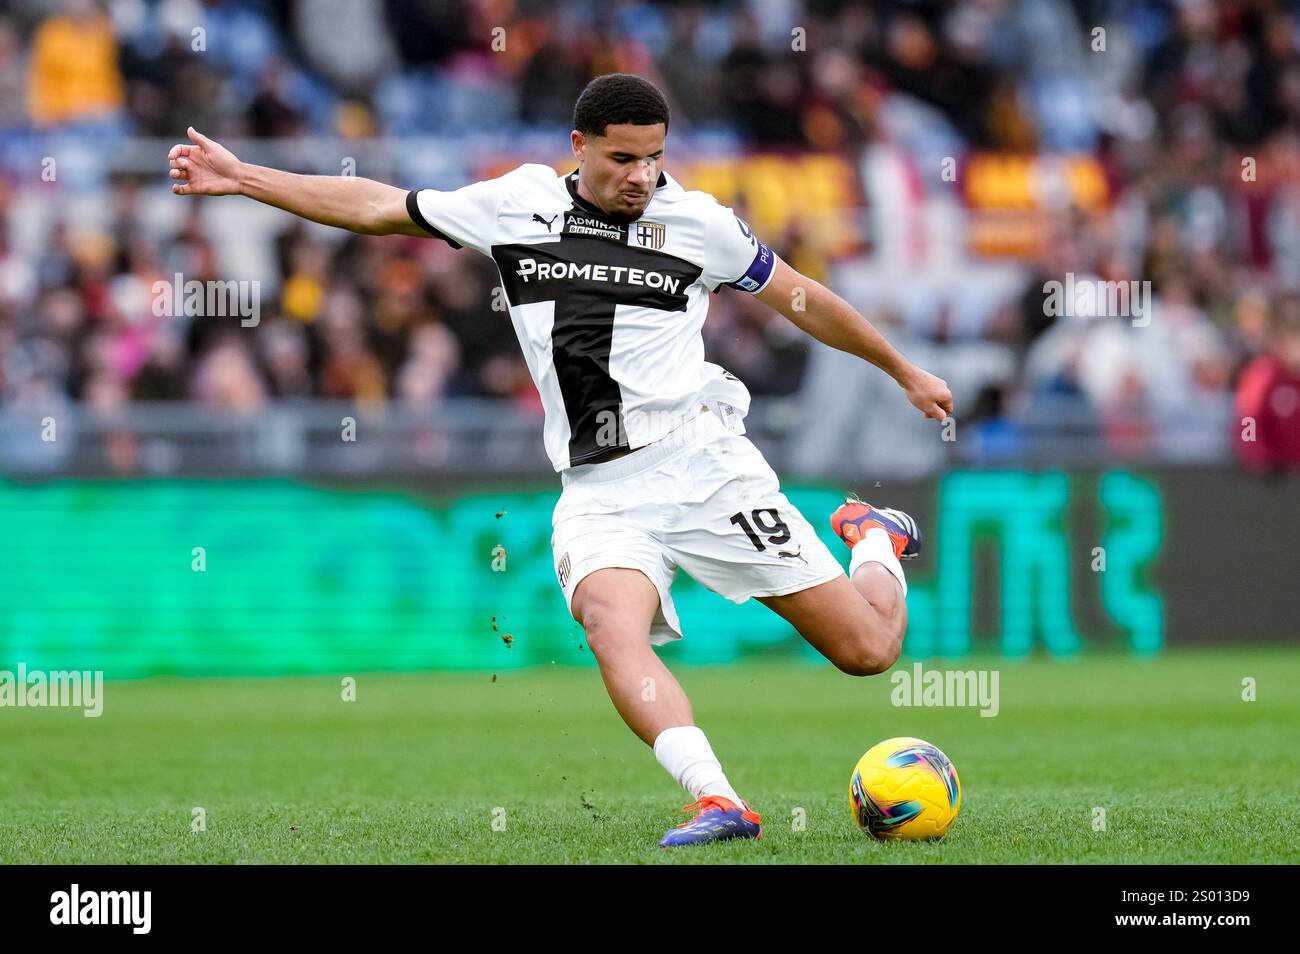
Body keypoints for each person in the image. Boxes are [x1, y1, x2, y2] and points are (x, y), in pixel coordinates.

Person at [168, 73, 953, 848]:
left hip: (704, 467)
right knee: (613, 625)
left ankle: (875, 533)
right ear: (578, 147)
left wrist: (905, 370)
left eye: (653, 157)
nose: (641, 176)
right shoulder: (518, 204)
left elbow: (803, 298)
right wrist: (245, 178)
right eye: (621, 159)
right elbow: (379, 206)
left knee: (868, 652)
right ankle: (718, 799)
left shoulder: (700, 225)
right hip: (600, 490)